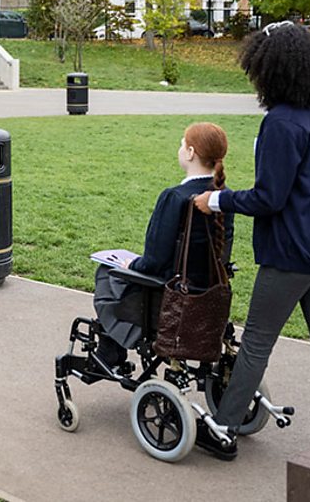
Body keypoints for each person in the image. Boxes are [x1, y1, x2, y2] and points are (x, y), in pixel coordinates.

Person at [192, 21, 310, 461]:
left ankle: (223, 428)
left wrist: (215, 200)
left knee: (256, 343)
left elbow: (269, 198)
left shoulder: (281, 123)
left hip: (292, 254)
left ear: (270, 70)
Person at [93, 123, 234, 370]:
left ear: (190, 152)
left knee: (107, 272)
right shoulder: (223, 196)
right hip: (208, 289)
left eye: (182, 144)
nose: (180, 149)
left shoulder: (175, 197)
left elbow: (153, 261)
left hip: (171, 293)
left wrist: (131, 264)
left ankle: (110, 349)